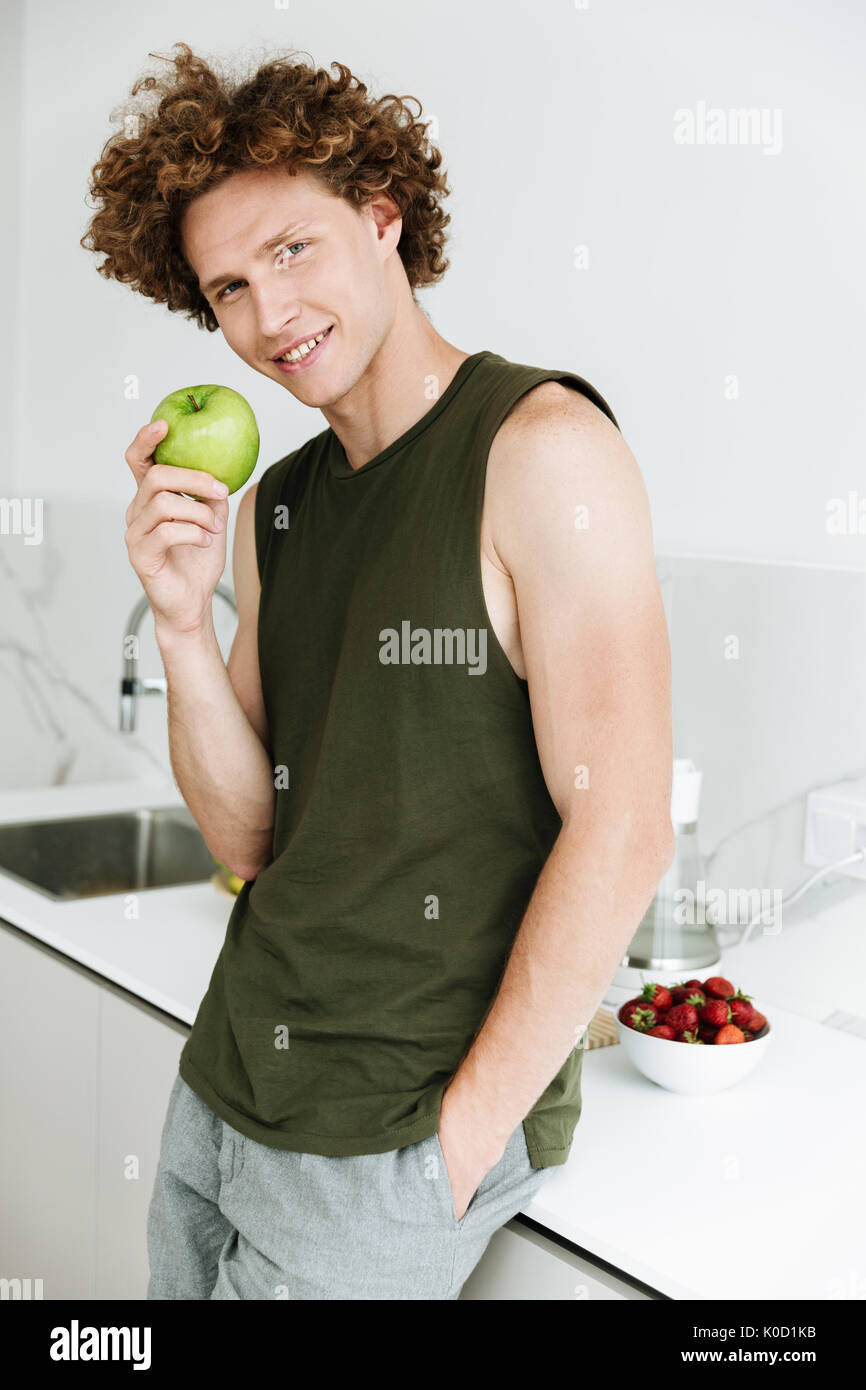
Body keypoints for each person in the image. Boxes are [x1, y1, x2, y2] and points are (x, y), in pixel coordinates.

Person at [82, 42, 674, 1300]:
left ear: (383, 216)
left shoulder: (541, 450)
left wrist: (456, 1146)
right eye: (229, 286)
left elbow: (621, 828)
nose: (270, 316)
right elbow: (248, 835)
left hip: (388, 1140)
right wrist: (181, 624)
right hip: (226, 1082)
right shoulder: (275, 506)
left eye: (292, 249)